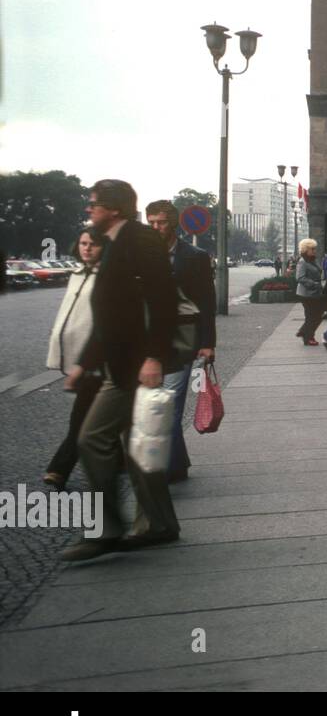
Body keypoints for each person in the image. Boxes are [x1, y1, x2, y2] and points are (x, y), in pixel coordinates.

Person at [61, 179, 179, 560]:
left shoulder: (140, 240)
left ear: (114, 208)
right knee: (137, 449)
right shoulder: (116, 242)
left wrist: (154, 357)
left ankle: (106, 529)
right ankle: (159, 525)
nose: (88, 210)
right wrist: (85, 363)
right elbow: (112, 314)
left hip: (133, 366)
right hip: (121, 362)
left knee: (91, 438)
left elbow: (162, 302)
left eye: (93, 204)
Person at [145, 200, 216, 485]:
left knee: (170, 406)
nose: (155, 227)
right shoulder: (142, 255)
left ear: (173, 223)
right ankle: (177, 462)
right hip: (150, 339)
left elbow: (207, 303)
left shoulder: (194, 256)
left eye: (160, 222)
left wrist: (208, 343)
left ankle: (164, 469)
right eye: (150, 222)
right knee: (155, 404)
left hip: (183, 338)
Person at [43, 228, 108, 489]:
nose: (87, 248)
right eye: (83, 243)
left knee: (82, 418)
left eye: (93, 244)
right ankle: (122, 462)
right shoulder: (77, 274)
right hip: (78, 358)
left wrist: (84, 362)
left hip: (96, 360)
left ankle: (59, 469)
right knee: (96, 418)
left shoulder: (107, 276)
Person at [295, 238, 326, 346]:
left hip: (315, 293)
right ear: (305, 249)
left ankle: (304, 332)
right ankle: (308, 337)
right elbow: (300, 277)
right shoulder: (302, 261)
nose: (314, 251)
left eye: (314, 249)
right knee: (312, 316)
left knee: (318, 315)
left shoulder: (313, 260)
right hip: (306, 294)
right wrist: (314, 284)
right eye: (312, 249)